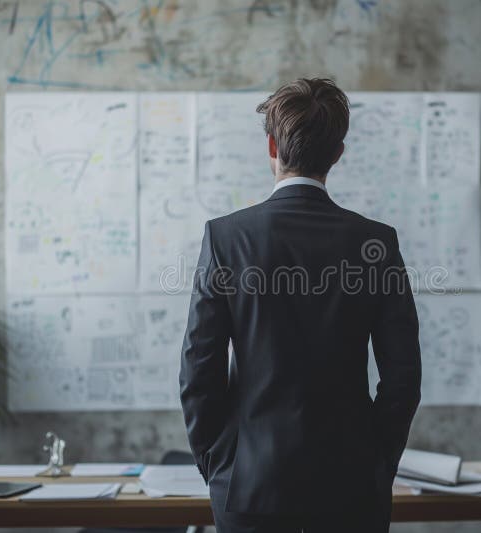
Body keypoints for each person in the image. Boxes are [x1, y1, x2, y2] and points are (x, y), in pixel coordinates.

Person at [180, 78, 421, 533]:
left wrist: (217, 463)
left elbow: (199, 369)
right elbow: (403, 377)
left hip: (249, 481)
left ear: (272, 146)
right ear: (337, 153)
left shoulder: (226, 238)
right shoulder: (376, 242)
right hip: (353, 485)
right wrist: (377, 463)